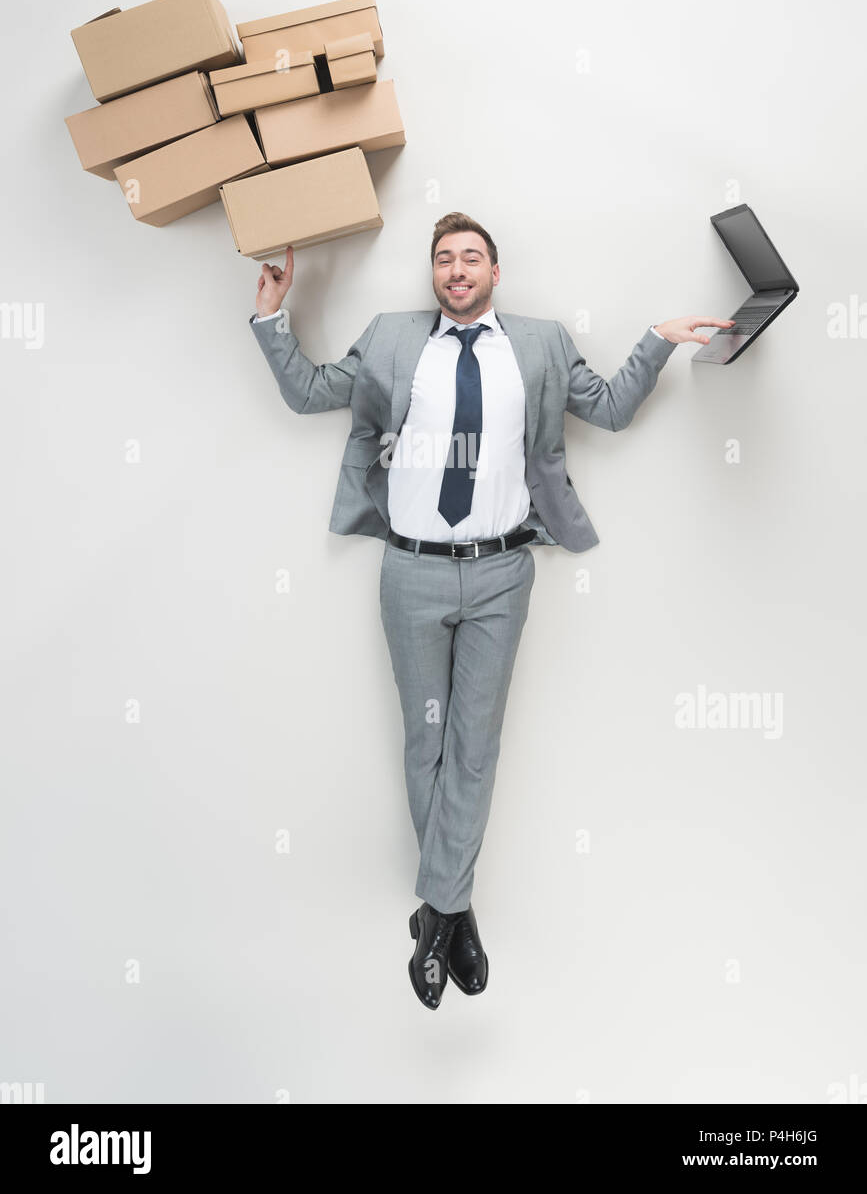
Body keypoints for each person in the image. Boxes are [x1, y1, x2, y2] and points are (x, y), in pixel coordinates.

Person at [249, 211, 733, 1010]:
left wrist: (659, 338)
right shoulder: (395, 338)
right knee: (427, 744)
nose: (457, 269)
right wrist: (272, 312)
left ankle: (435, 919)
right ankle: (455, 911)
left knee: (474, 749)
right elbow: (309, 394)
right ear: (432, 275)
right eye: (444, 259)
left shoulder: (538, 344)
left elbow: (608, 408)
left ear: (495, 273)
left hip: (502, 574)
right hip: (411, 573)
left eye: (471, 257)